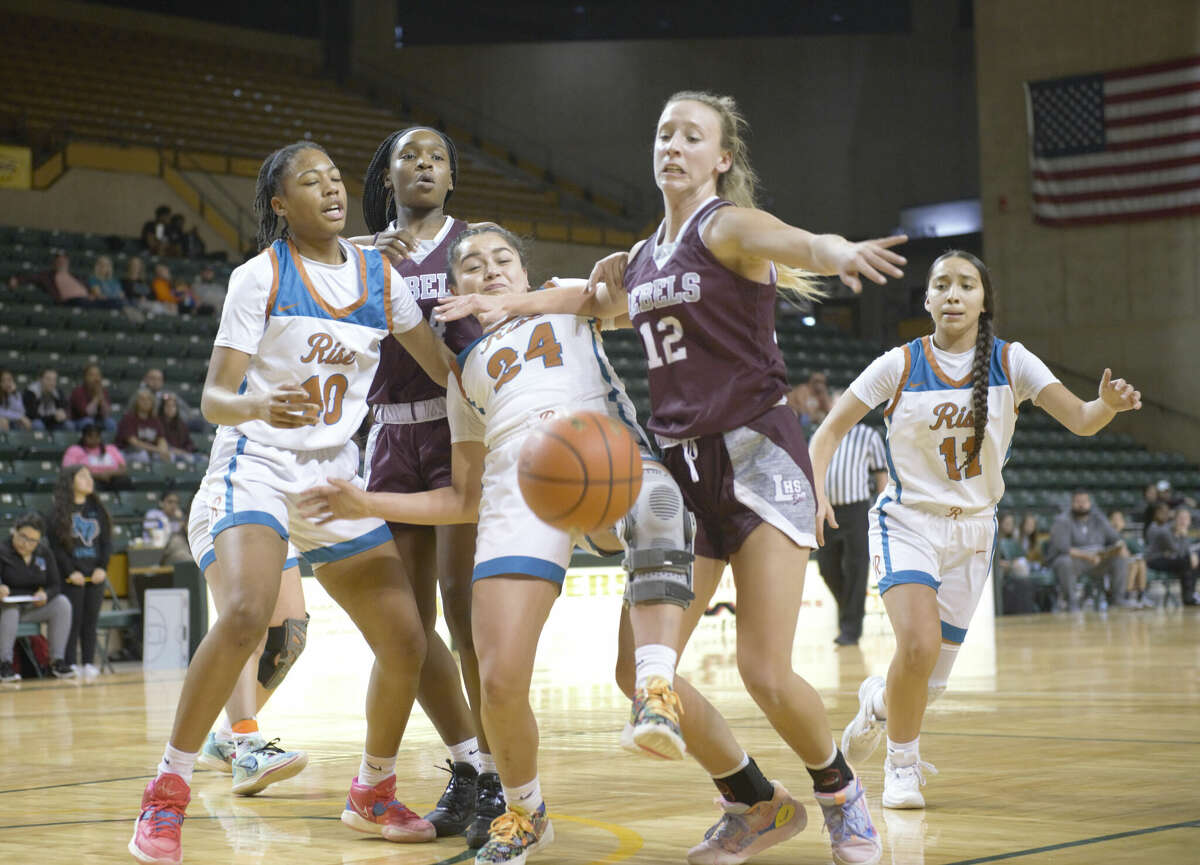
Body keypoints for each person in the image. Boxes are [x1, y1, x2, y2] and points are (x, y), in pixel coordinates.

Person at [436, 91, 905, 865]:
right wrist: (512, 299)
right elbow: (588, 300)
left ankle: (841, 794)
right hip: (684, 468)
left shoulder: (726, 226)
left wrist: (839, 251)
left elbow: (798, 242)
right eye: (664, 134)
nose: (673, 146)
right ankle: (752, 803)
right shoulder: (643, 257)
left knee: (763, 668)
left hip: (757, 453)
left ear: (721, 157)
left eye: (691, 136)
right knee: (636, 670)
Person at [302, 224, 698, 865]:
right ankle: (525, 811)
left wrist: (620, 264)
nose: (489, 270)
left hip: (602, 450)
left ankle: (655, 689)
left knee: (661, 503)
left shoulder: (565, 299)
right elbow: (463, 498)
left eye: (503, 259)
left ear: (524, 272)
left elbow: (635, 301)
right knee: (499, 677)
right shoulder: (462, 375)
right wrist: (366, 502)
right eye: (473, 265)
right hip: (519, 492)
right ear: (453, 287)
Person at [128, 139, 453, 865]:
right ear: (281, 204)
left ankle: (373, 789)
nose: (332, 188)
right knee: (248, 611)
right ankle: (166, 791)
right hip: (259, 463)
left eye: (335, 177)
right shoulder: (261, 276)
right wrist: (257, 405)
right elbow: (214, 398)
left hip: (333, 474)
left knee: (406, 638)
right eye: (311, 181)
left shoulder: (380, 276)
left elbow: (441, 366)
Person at [809, 250, 1141, 812]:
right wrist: (816, 489)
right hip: (907, 522)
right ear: (927, 300)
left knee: (929, 683)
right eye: (942, 285)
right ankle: (902, 768)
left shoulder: (1011, 362)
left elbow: (1082, 420)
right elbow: (828, 433)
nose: (953, 294)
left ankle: (878, 704)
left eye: (966, 285)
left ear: (984, 300)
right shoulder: (899, 364)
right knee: (918, 646)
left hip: (974, 532)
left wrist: (1106, 406)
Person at [356, 125, 493, 842]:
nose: (424, 166)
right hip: (388, 434)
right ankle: (465, 765)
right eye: (410, 157)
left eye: (437, 157)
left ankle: (497, 775)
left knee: (464, 614)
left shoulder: (472, 246)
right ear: (388, 176)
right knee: (407, 630)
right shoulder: (360, 256)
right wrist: (360, 264)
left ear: (451, 176)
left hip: (456, 429)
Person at [188, 481, 310, 796]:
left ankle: (226, 740)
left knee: (290, 637)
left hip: (276, 510)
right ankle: (247, 747)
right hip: (231, 501)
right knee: (248, 629)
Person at [816, 408, 887, 646]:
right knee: (826, 568)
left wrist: (881, 510)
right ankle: (849, 610)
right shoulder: (824, 434)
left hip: (857, 510)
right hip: (828, 509)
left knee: (857, 569)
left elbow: (881, 475)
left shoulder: (868, 435)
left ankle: (850, 629)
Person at [45, 466, 112, 678]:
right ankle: (70, 662)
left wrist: (102, 567)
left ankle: (89, 662)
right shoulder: (58, 511)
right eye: (82, 476)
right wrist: (70, 571)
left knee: (90, 621)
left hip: (95, 575)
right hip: (71, 576)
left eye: (90, 476)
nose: (89, 479)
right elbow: (56, 548)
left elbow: (106, 542)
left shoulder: (98, 509)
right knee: (72, 621)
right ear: (70, 481)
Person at [0, 513, 76, 681]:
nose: (26, 543)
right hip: (5, 607)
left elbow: (55, 585)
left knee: (62, 604)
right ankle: (4, 665)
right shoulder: (2, 550)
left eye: (32, 540)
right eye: (22, 537)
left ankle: (56, 662)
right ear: (14, 531)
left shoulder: (44, 553)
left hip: (31, 607)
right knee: (10, 610)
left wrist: (45, 594)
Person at [1046, 490, 1129, 612]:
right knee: (1064, 562)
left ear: (1090, 503)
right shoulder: (1062, 520)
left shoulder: (1098, 518)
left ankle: (1117, 600)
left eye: (1084, 501)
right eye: (1078, 502)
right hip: (1075, 560)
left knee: (1120, 558)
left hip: (1098, 559)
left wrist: (1122, 547)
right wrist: (1087, 556)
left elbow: (1115, 538)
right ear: (1072, 503)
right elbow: (1063, 548)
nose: (1081, 505)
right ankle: (1071, 603)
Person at [1145, 504, 1199, 606]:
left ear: (1190, 521)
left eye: (1186, 518)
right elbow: (1178, 551)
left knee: (1192, 562)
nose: (1183, 521)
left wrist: (1192, 554)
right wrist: (1183, 537)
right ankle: (1188, 597)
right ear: (1175, 519)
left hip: (1171, 559)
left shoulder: (1181, 531)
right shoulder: (1165, 531)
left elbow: (1182, 552)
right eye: (1181, 518)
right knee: (1186, 562)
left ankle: (1191, 594)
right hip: (1155, 559)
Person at [62, 423, 130, 491]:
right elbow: (68, 470)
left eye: (97, 436)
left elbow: (123, 469)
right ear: (83, 437)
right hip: (89, 479)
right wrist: (97, 476)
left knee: (123, 481)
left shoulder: (111, 448)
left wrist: (109, 474)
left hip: (112, 478)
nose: (94, 439)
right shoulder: (74, 450)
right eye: (90, 436)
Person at [1108, 510, 1149, 608]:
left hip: (1125, 563)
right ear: (1108, 522)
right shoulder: (1106, 536)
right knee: (1133, 565)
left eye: (1119, 519)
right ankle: (1126, 595)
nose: (1117, 522)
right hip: (1111, 564)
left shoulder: (1126, 537)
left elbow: (1141, 551)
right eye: (1114, 519)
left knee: (1140, 563)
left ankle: (1141, 595)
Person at [116, 389, 169, 463]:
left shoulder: (155, 420)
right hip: (127, 451)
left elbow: (161, 439)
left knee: (169, 455)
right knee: (142, 455)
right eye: (142, 399)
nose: (146, 402)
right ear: (136, 402)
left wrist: (164, 450)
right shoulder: (128, 418)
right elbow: (134, 443)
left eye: (149, 399)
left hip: (149, 451)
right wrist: (157, 450)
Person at [142, 491, 191, 564]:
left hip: (174, 553)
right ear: (161, 503)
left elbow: (188, 537)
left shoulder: (178, 518)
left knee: (180, 546)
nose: (173, 505)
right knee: (177, 541)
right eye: (170, 502)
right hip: (155, 551)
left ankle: (191, 562)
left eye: (176, 503)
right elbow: (152, 533)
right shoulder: (153, 514)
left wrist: (181, 522)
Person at [69, 363, 116, 433]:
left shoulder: (103, 391)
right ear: (85, 377)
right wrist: (96, 399)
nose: (96, 378)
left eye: (98, 375)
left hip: (97, 420)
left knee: (110, 423)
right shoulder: (78, 392)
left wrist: (102, 400)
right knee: (88, 422)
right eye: (92, 375)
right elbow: (86, 413)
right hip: (79, 421)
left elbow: (107, 413)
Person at [157, 394, 196, 463]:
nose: (170, 409)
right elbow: (159, 442)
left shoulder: (181, 424)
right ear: (163, 408)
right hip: (167, 453)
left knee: (202, 458)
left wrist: (185, 450)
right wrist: (173, 450)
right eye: (168, 406)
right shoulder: (158, 423)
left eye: (173, 406)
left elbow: (189, 443)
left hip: (183, 453)